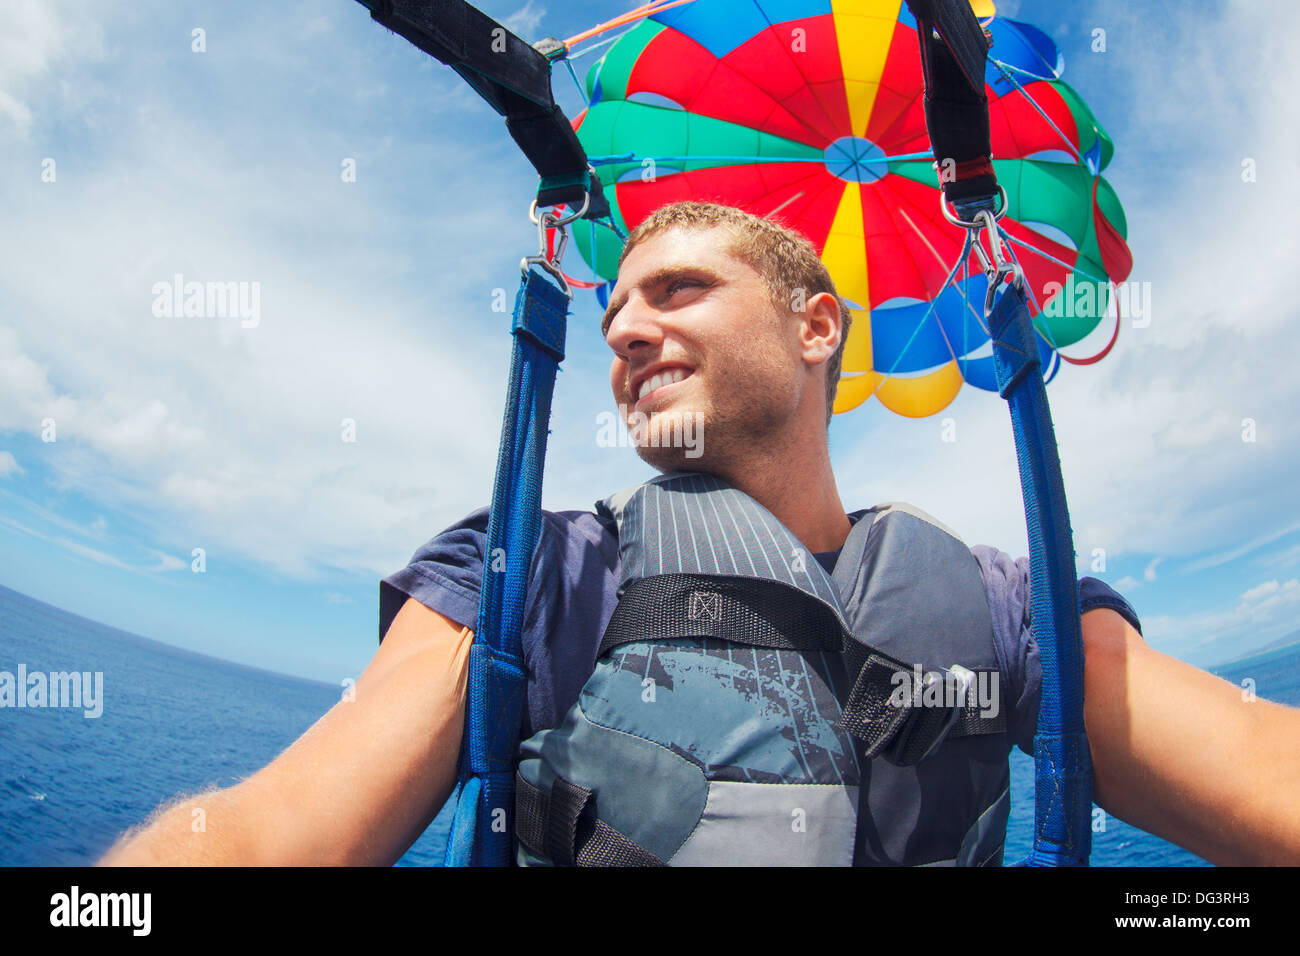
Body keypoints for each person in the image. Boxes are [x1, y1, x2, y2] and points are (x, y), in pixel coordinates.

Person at [101, 202, 1300, 866]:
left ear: (817, 325)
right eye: (615, 303)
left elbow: (1255, 767)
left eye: (676, 291)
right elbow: (276, 831)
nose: (623, 329)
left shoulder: (1000, 605)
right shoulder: (540, 569)